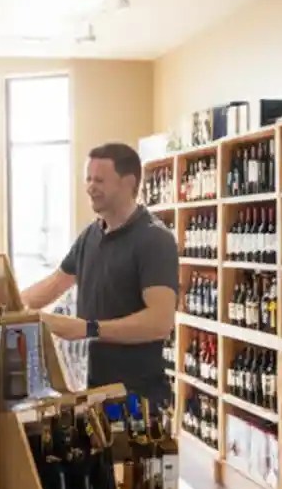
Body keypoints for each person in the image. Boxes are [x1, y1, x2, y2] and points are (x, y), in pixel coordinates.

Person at [21, 143, 178, 404]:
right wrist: (8, 305)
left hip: (137, 398)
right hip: (92, 392)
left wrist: (88, 328)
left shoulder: (154, 240)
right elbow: (55, 283)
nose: (90, 187)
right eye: (88, 179)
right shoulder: (90, 235)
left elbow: (160, 322)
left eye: (99, 180)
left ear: (129, 183)